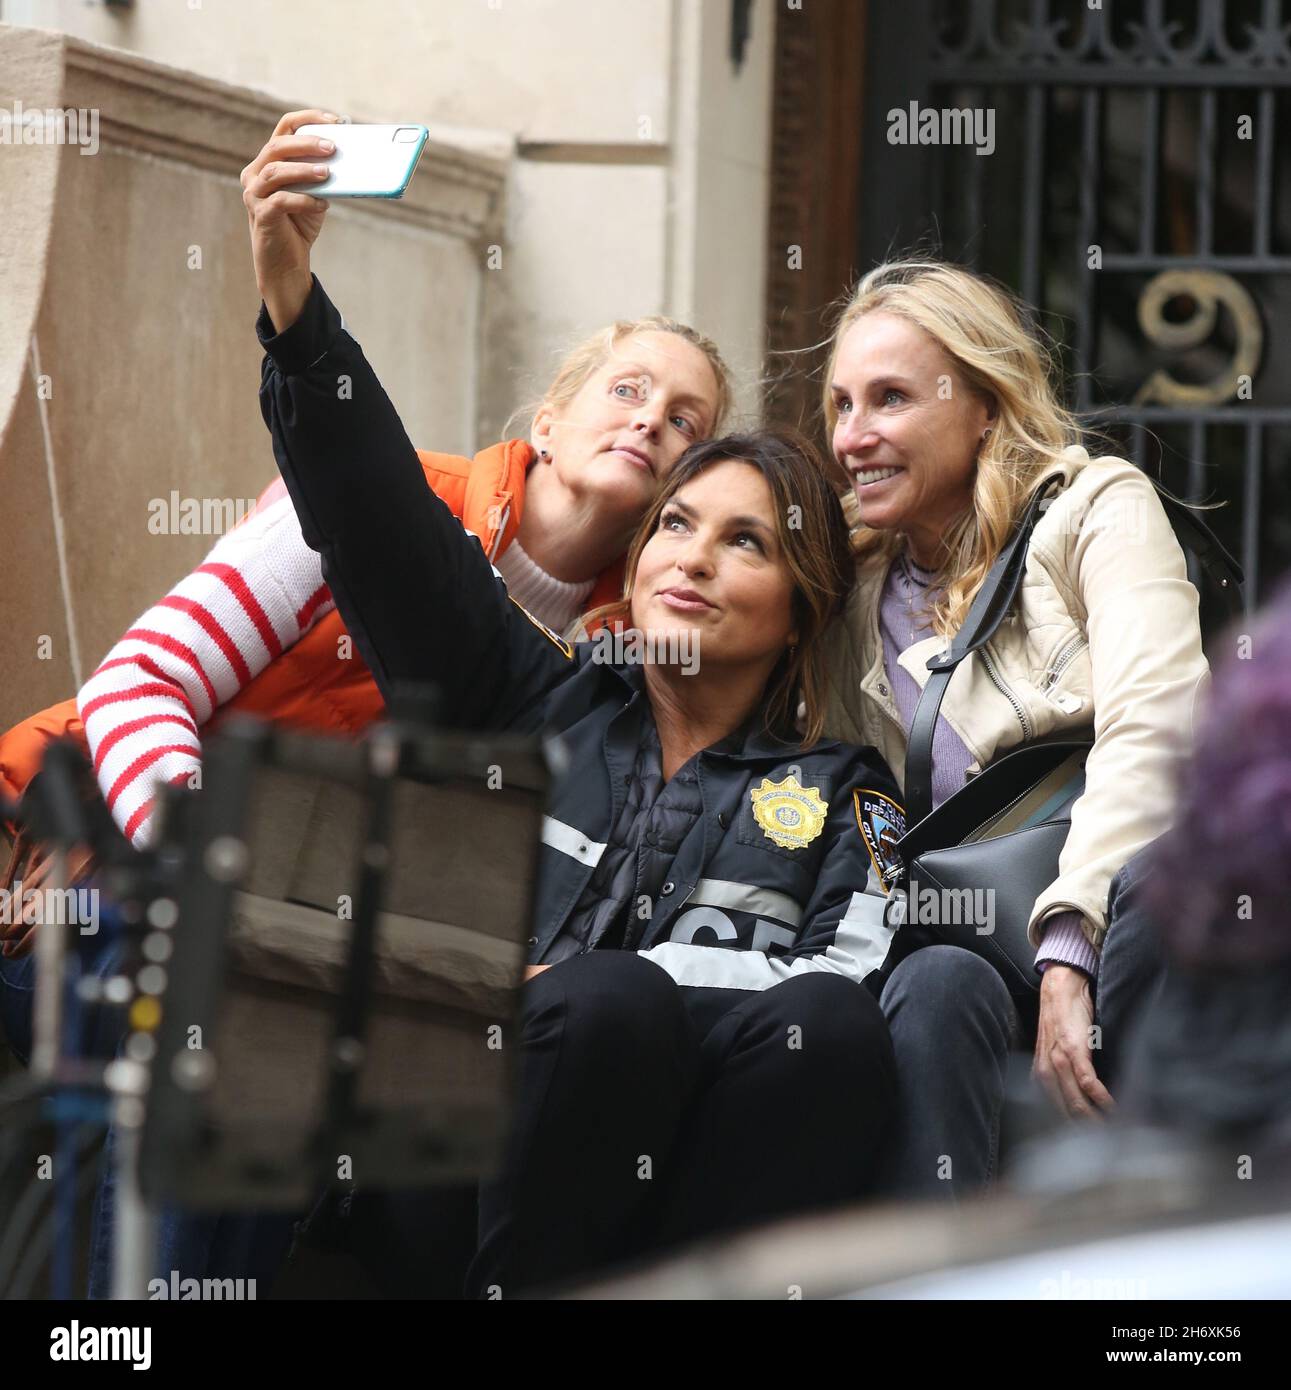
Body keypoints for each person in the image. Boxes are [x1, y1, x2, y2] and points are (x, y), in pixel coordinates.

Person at [246, 138, 906, 1291]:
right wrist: (297, 312)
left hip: (671, 1206)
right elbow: (385, 520)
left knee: (820, 1040)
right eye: (676, 525)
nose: (689, 559)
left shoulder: (845, 791)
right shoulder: (522, 691)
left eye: (744, 541)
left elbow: (843, 987)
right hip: (437, 1180)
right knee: (608, 1004)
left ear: (799, 612)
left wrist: (597, 986)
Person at [818, 258, 1208, 1197]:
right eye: (838, 405)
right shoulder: (843, 590)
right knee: (933, 982)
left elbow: (1157, 727)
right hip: (963, 945)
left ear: (984, 406)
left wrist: (1071, 946)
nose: (852, 436)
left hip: (1113, 917)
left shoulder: (1093, 510)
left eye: (890, 399)